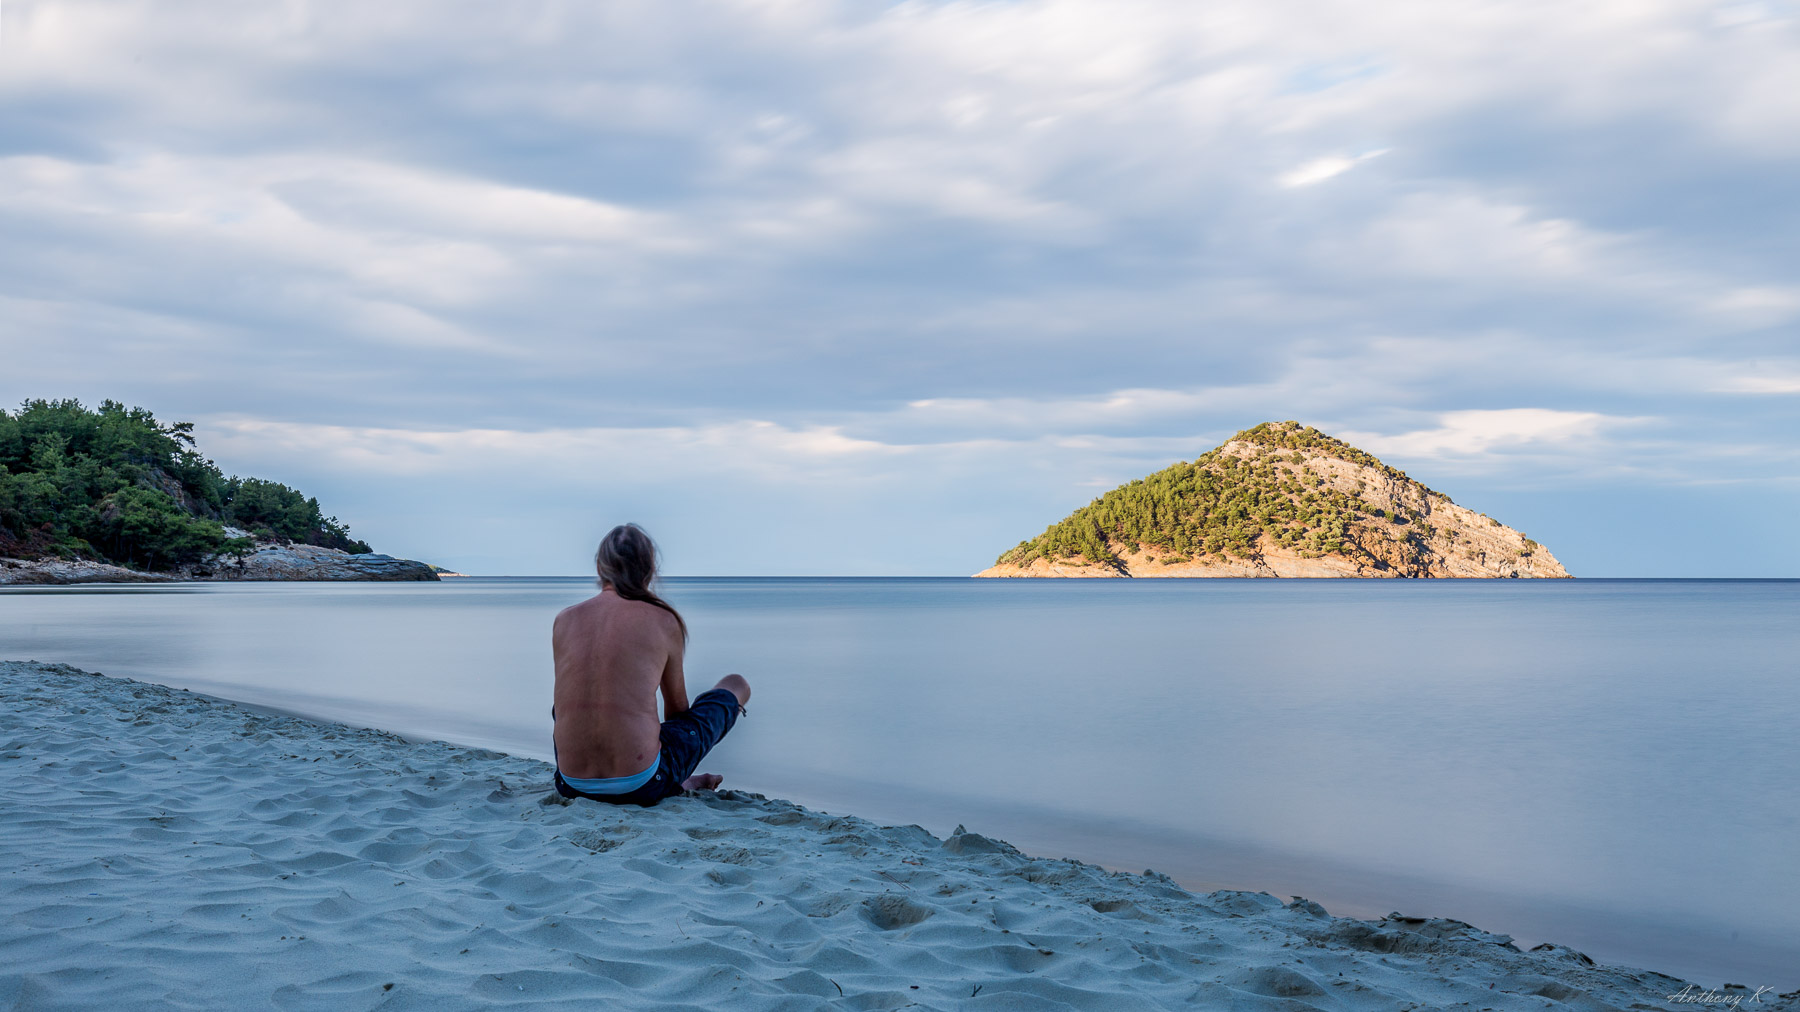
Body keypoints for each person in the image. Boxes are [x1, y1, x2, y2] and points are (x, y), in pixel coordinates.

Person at [551, 524, 749, 806]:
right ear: (650, 569)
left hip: (570, 783)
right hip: (640, 784)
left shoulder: (564, 620)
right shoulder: (663, 620)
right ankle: (674, 781)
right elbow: (677, 713)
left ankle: (676, 781)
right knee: (735, 685)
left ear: (599, 566)